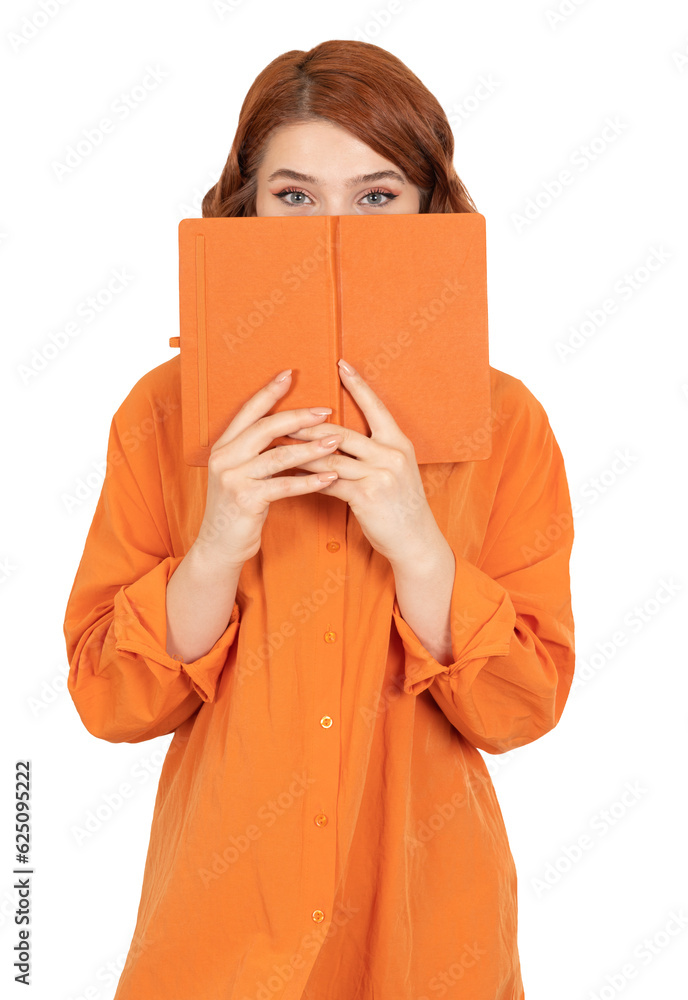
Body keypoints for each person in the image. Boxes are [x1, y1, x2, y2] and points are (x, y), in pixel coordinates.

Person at [63, 39, 575, 1000]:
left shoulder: (506, 423)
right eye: (294, 194)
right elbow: (108, 698)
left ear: (432, 209)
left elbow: (521, 707)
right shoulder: (163, 413)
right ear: (244, 209)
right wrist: (218, 541)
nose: (333, 225)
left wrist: (419, 544)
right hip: (218, 934)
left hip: (426, 936)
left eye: (377, 194)